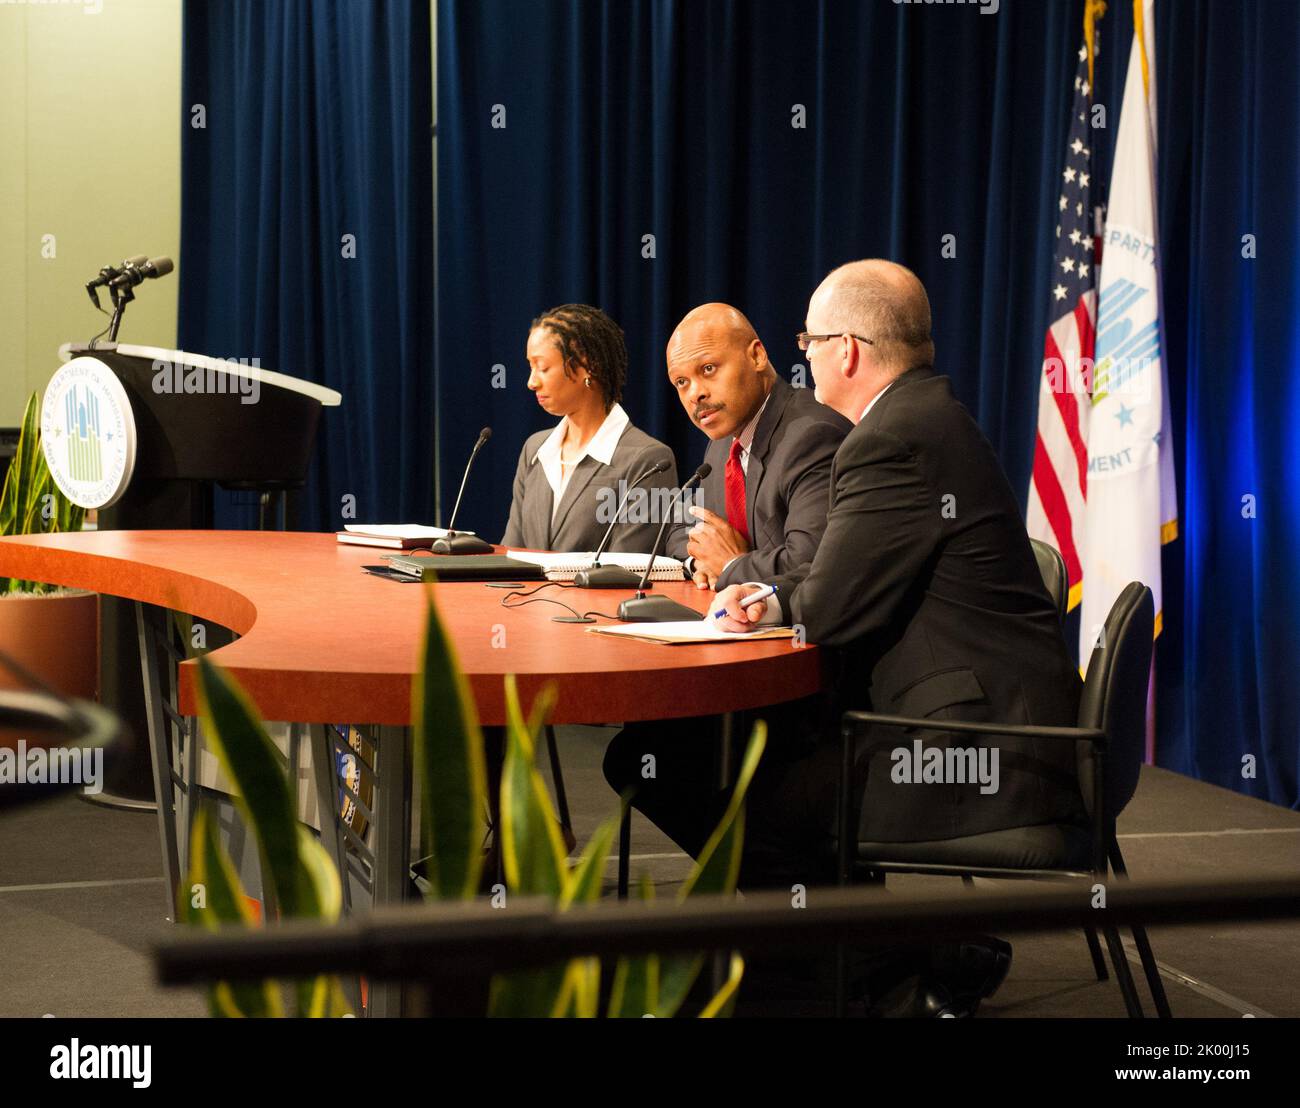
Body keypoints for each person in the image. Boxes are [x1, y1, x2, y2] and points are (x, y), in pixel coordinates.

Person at [604, 260, 1087, 1014]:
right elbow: (830, 580)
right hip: (983, 720)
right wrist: (765, 595)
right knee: (717, 770)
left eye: (811, 338)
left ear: (848, 349)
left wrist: (760, 589)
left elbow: (827, 607)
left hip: (979, 748)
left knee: (751, 801)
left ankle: (866, 970)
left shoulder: (888, 440)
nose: (809, 354)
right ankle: (865, 962)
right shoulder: (924, 417)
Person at [662, 303, 850, 589]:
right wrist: (701, 562)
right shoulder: (722, 445)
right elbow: (681, 531)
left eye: (708, 368)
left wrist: (730, 566)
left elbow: (810, 564)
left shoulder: (814, 436)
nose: (695, 394)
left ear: (757, 356)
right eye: (681, 382)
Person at [501, 303, 678, 552]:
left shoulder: (649, 460)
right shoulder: (536, 449)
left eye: (542, 368)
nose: (531, 382)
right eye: (530, 367)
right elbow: (511, 556)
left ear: (588, 364)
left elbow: (624, 572)